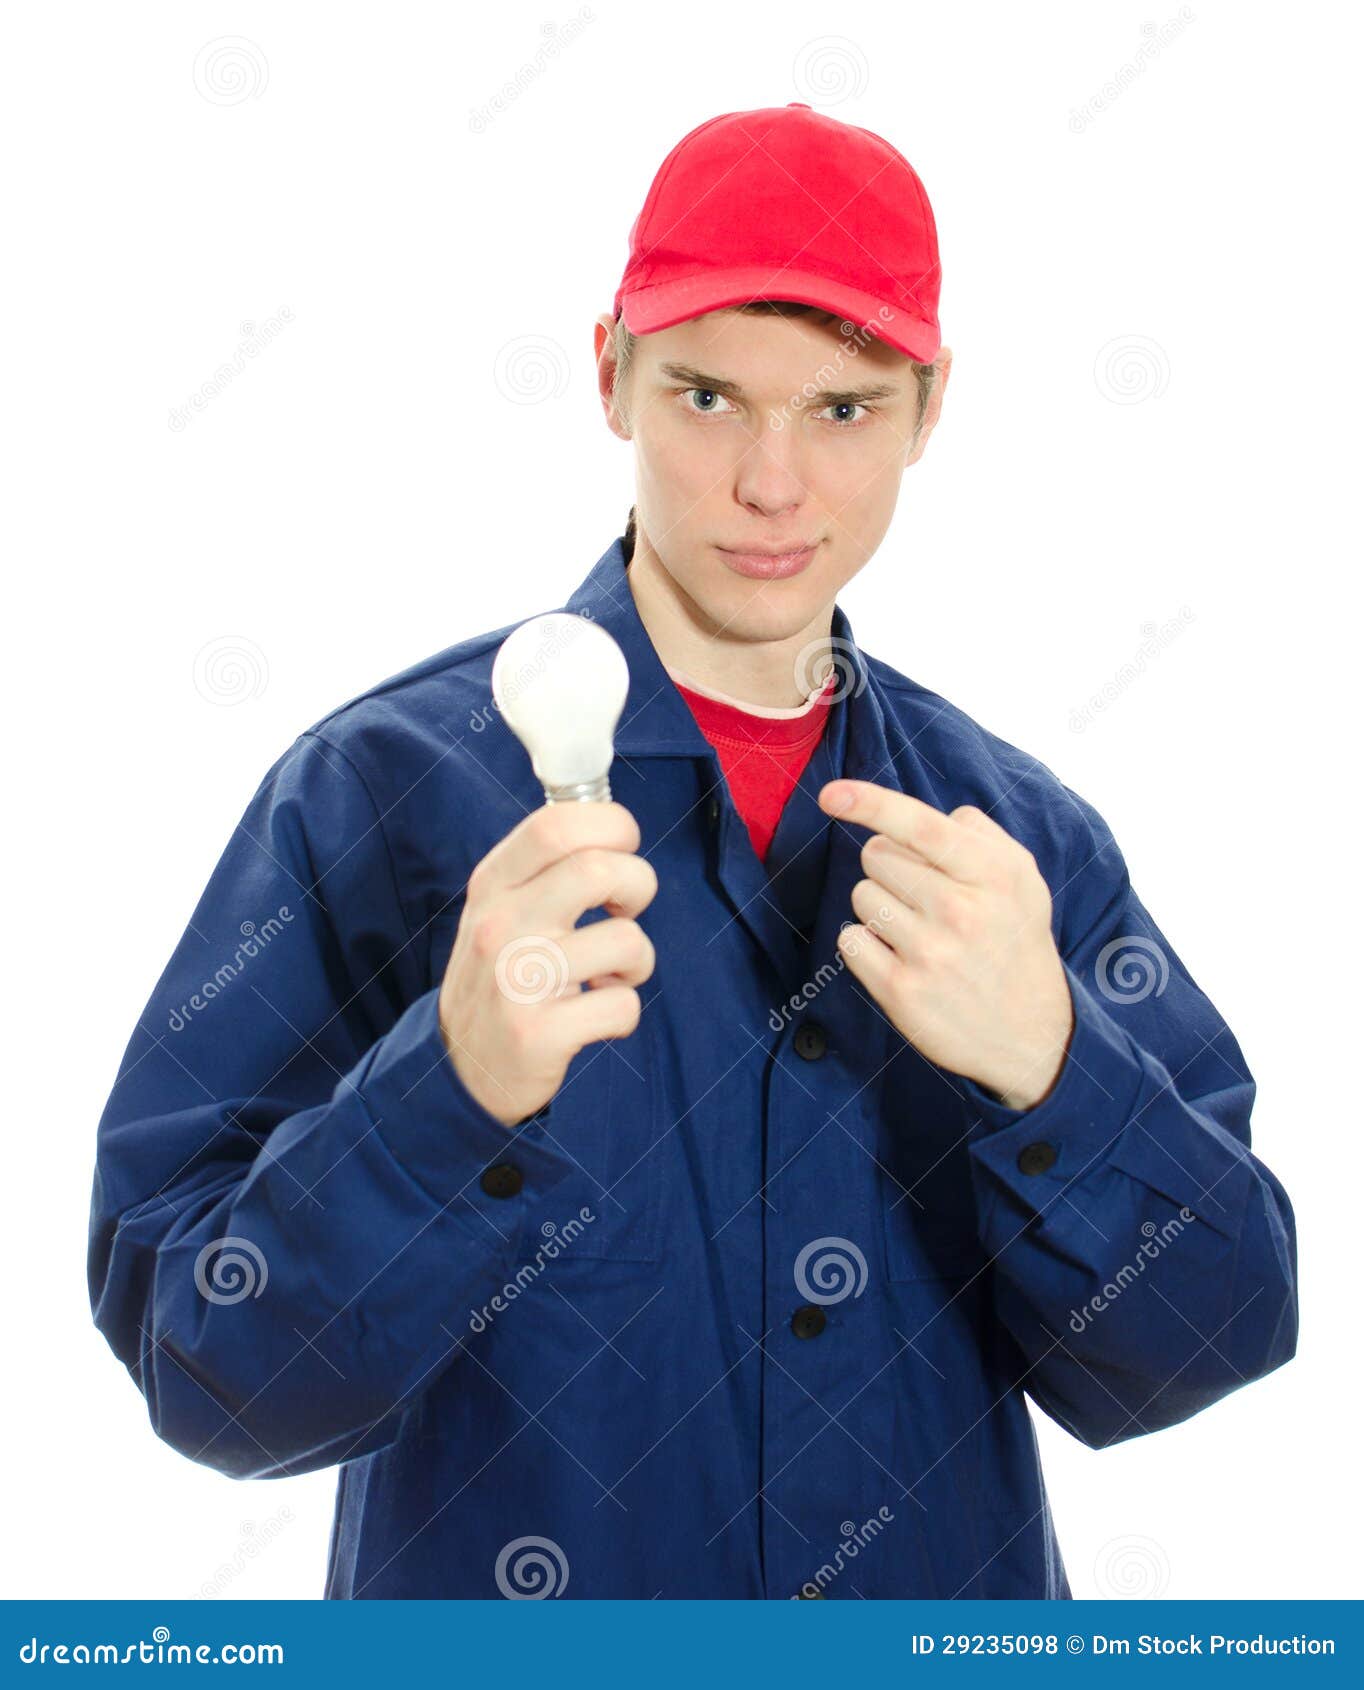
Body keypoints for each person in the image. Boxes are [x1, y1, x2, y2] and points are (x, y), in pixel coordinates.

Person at [87, 102, 1297, 1600]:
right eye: (710, 396)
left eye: (844, 408)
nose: (774, 484)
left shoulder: (1016, 842)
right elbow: (212, 1375)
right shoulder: (380, 799)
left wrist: (1053, 1064)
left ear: (931, 410)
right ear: (611, 377)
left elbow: (1215, 1337)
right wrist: (445, 1095)